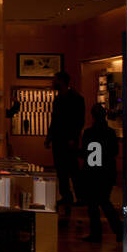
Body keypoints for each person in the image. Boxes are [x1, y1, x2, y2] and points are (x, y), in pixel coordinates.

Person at [80, 104, 124, 243]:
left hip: (92, 172)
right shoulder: (110, 133)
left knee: (93, 204)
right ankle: (118, 230)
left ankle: (96, 233)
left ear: (92, 116)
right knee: (105, 202)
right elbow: (115, 152)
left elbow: (85, 153)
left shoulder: (88, 133)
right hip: (106, 172)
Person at [45, 70, 85, 208]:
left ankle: (80, 196)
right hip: (58, 139)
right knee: (61, 169)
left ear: (61, 81)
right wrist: (49, 137)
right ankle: (66, 195)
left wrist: (73, 138)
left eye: (55, 80)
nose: (52, 82)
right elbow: (54, 120)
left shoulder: (75, 98)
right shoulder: (58, 99)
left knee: (73, 169)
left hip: (68, 140)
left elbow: (79, 120)